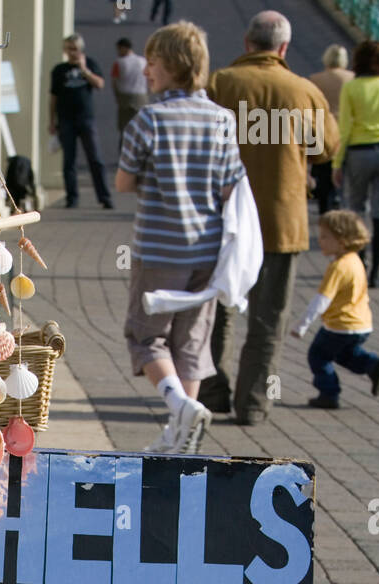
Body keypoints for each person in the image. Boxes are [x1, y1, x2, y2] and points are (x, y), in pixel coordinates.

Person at [201, 11, 338, 424]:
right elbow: (326, 148)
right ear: (283, 48)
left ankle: (212, 390)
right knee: (268, 318)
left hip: (223, 221)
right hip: (281, 222)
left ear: (246, 43)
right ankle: (254, 402)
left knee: (217, 309)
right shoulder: (304, 91)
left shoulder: (221, 84)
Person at [116, 22, 245, 453]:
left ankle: (178, 408)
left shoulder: (149, 119)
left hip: (158, 249)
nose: (146, 71)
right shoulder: (223, 120)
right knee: (190, 342)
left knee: (145, 336)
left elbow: (123, 182)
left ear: (170, 66)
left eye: (152, 63)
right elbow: (230, 188)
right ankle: (181, 436)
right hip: (207, 254)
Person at [290, 210, 379, 407]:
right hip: (361, 325)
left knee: (318, 355)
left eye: (326, 236)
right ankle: (373, 365)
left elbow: (321, 300)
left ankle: (329, 393)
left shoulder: (338, 267)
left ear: (342, 240)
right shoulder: (356, 260)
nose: (320, 240)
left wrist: (302, 325)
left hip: (339, 325)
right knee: (345, 354)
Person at [334, 40, 379, 287]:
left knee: (357, 209)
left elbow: (345, 128)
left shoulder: (352, 88)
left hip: (359, 153)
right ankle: (377, 273)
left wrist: (337, 162)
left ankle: (361, 265)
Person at [50, 34, 114, 209]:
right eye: (69, 49)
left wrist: (84, 70)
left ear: (81, 50)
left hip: (86, 119)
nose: (72, 53)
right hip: (65, 119)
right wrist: (51, 121)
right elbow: (53, 97)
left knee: (95, 158)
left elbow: (100, 84)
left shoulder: (90, 64)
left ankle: (104, 196)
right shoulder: (59, 70)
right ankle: (72, 197)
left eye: (75, 49)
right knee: (69, 161)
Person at [309, 45, 353, 214]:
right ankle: (338, 199)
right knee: (340, 169)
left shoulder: (315, 79)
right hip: (344, 129)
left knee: (323, 171)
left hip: (323, 129)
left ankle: (324, 208)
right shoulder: (352, 78)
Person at [112, 38, 148, 156]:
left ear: (124, 48)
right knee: (141, 129)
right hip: (142, 97)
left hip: (126, 98)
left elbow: (114, 81)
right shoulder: (143, 61)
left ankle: (125, 155)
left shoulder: (119, 62)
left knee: (125, 130)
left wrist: (117, 97)